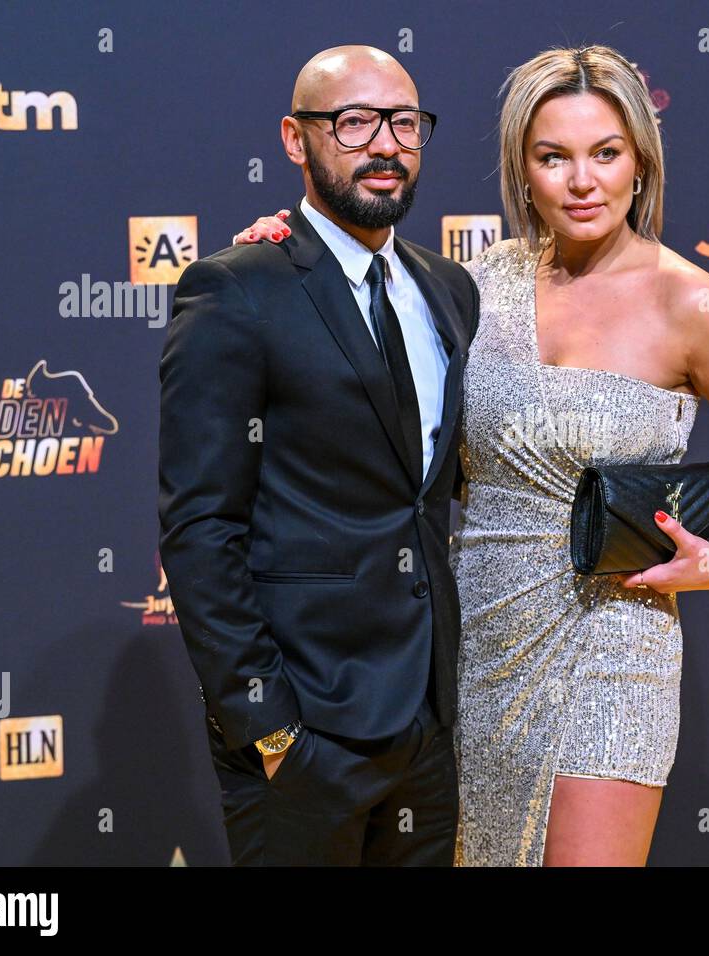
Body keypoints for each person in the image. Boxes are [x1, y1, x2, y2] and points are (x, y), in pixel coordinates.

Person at [235, 44, 709, 866]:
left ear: (640, 164)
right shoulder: (473, 284)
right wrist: (285, 251)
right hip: (472, 640)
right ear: (523, 170)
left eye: (606, 154)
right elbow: (355, 309)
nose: (581, 181)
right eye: (554, 157)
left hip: (614, 639)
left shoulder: (689, 301)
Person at [159, 45, 477, 865]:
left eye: (405, 123)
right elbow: (201, 527)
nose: (384, 144)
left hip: (427, 724)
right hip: (305, 732)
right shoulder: (237, 290)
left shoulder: (448, 289)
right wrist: (267, 727)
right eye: (354, 121)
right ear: (296, 141)